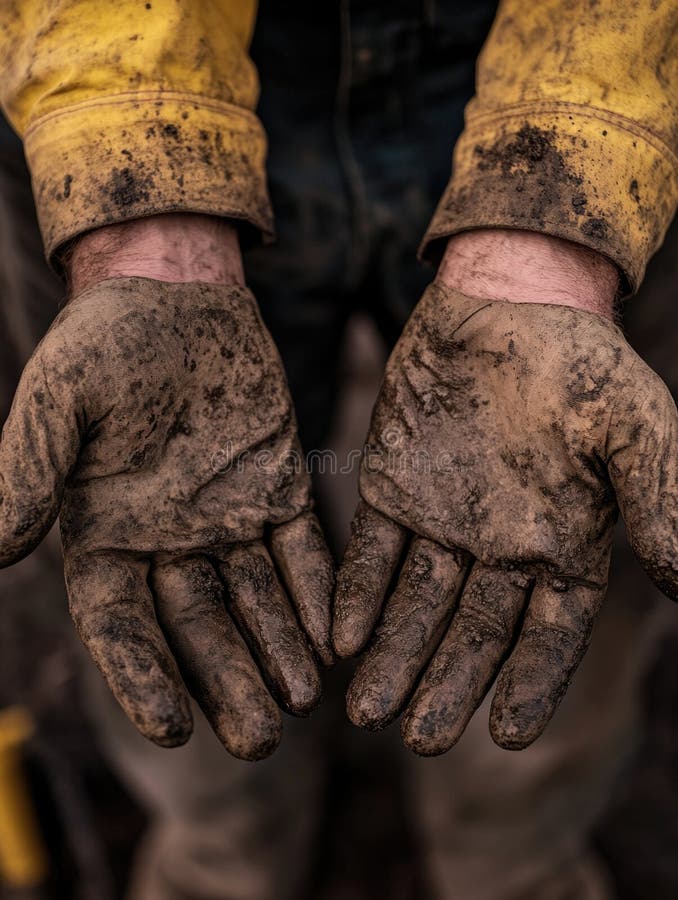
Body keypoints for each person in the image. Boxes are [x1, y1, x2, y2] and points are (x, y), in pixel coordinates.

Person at [0, 1, 676, 898]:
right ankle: (223, 861)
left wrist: (563, 194)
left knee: (561, 513)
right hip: (101, 73)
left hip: (601, 73)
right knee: (150, 530)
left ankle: (513, 862)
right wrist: (137, 209)